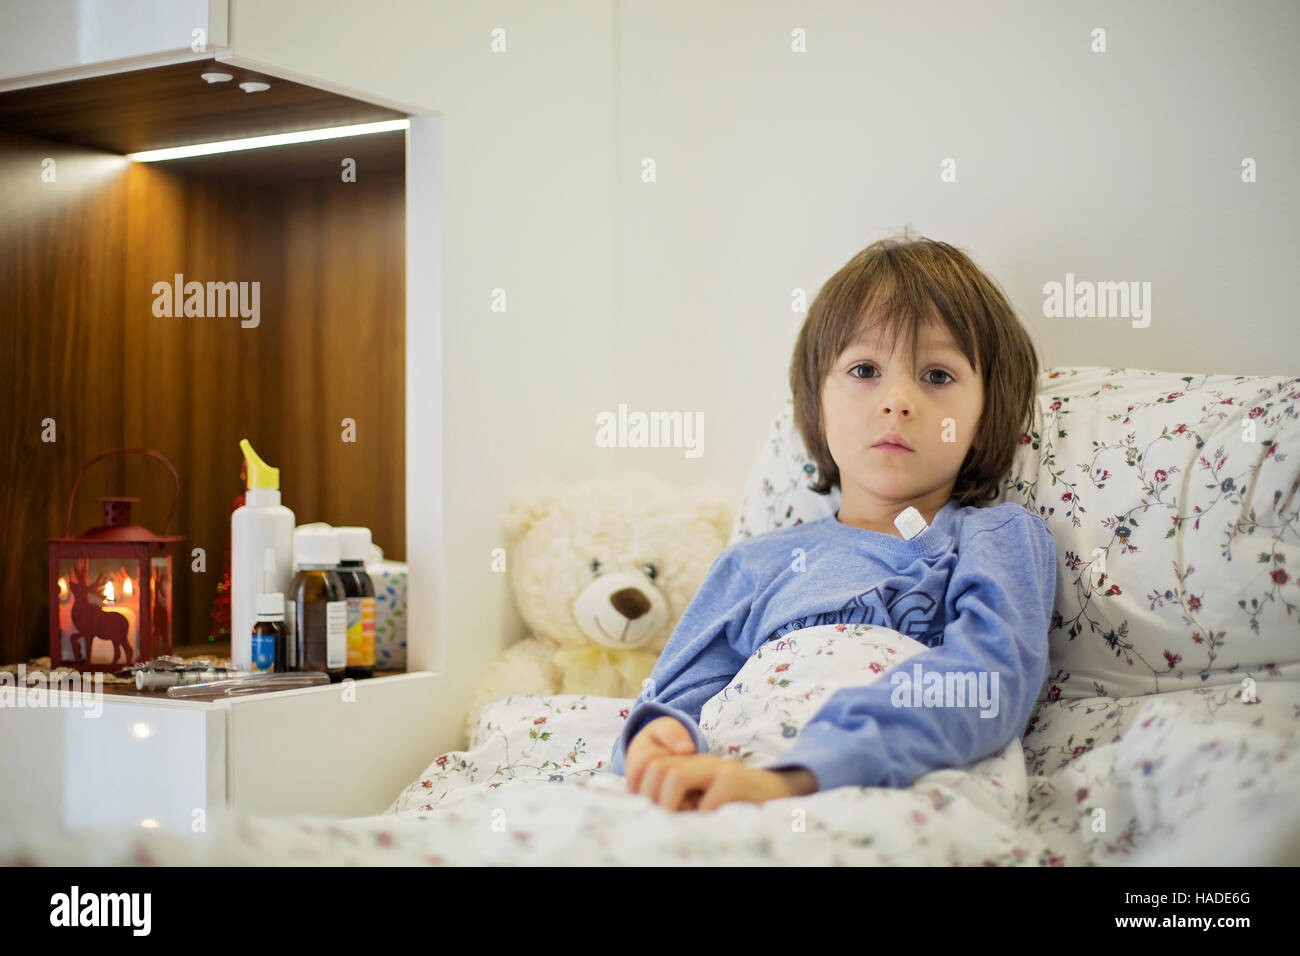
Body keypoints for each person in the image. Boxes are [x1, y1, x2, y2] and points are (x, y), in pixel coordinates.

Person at [606, 232, 1057, 812]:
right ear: (816, 403)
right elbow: (670, 701)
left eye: (938, 376)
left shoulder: (996, 539)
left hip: (897, 787)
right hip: (733, 780)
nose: (897, 400)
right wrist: (659, 742)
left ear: (986, 414)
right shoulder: (753, 563)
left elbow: (989, 682)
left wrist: (798, 776)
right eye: (865, 368)